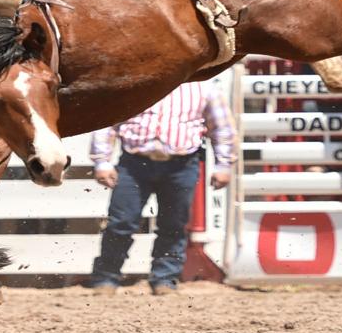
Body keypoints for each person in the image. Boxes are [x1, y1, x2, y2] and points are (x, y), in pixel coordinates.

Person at [87, 82, 234, 296]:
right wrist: (102, 161)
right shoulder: (134, 83)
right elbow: (108, 122)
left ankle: (165, 278)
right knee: (121, 221)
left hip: (182, 162)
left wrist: (224, 164)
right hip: (135, 162)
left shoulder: (204, 88)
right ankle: (106, 277)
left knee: (174, 224)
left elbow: (222, 129)